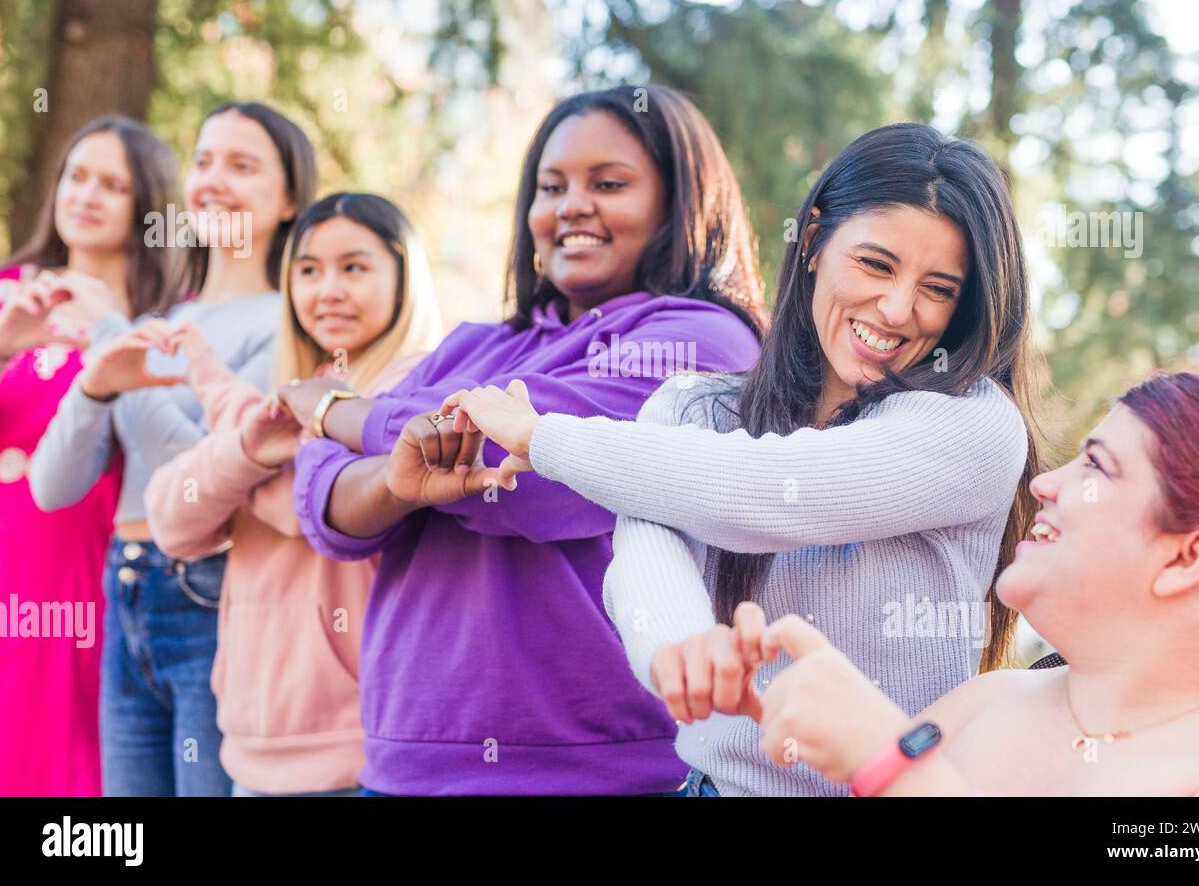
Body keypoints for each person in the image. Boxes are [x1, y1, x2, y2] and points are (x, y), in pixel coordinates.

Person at [442, 123, 1046, 796]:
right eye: (876, 264)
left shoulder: (974, 423)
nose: (899, 308)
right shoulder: (693, 407)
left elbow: (768, 492)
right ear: (813, 241)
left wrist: (546, 439)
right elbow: (646, 547)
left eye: (938, 288)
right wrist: (679, 648)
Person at [287, 85, 767, 795]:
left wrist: (334, 410)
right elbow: (320, 498)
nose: (571, 205)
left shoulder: (702, 339)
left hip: (588, 769)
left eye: (609, 184)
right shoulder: (476, 345)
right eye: (552, 186)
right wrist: (396, 480)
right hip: (403, 762)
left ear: (679, 202)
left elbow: (525, 468)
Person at [741, 372, 1199, 796]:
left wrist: (890, 764)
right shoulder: (987, 699)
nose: (1044, 484)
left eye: (1096, 467)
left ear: (1188, 556)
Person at [30, 101, 317, 796]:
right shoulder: (163, 322)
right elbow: (53, 486)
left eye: (242, 166)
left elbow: (218, 474)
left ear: (289, 200)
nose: (214, 180)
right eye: (205, 161)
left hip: (210, 598)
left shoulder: (288, 322)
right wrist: (99, 383)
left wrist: (109, 339)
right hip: (124, 584)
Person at [144, 193, 441, 796]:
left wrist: (246, 452)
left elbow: (309, 504)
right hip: (250, 746)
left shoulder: (414, 393)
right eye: (308, 270)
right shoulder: (282, 401)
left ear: (404, 275)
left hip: (361, 752)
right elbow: (171, 519)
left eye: (354, 267)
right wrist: (248, 449)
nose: (328, 289)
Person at [0, 115, 180, 796]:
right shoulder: (7, 292)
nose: (87, 194)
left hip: (104, 579)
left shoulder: (167, 320)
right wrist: (0, 346)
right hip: (4, 573)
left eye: (113, 184)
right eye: (77, 176)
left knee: (88, 777)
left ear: (146, 205)